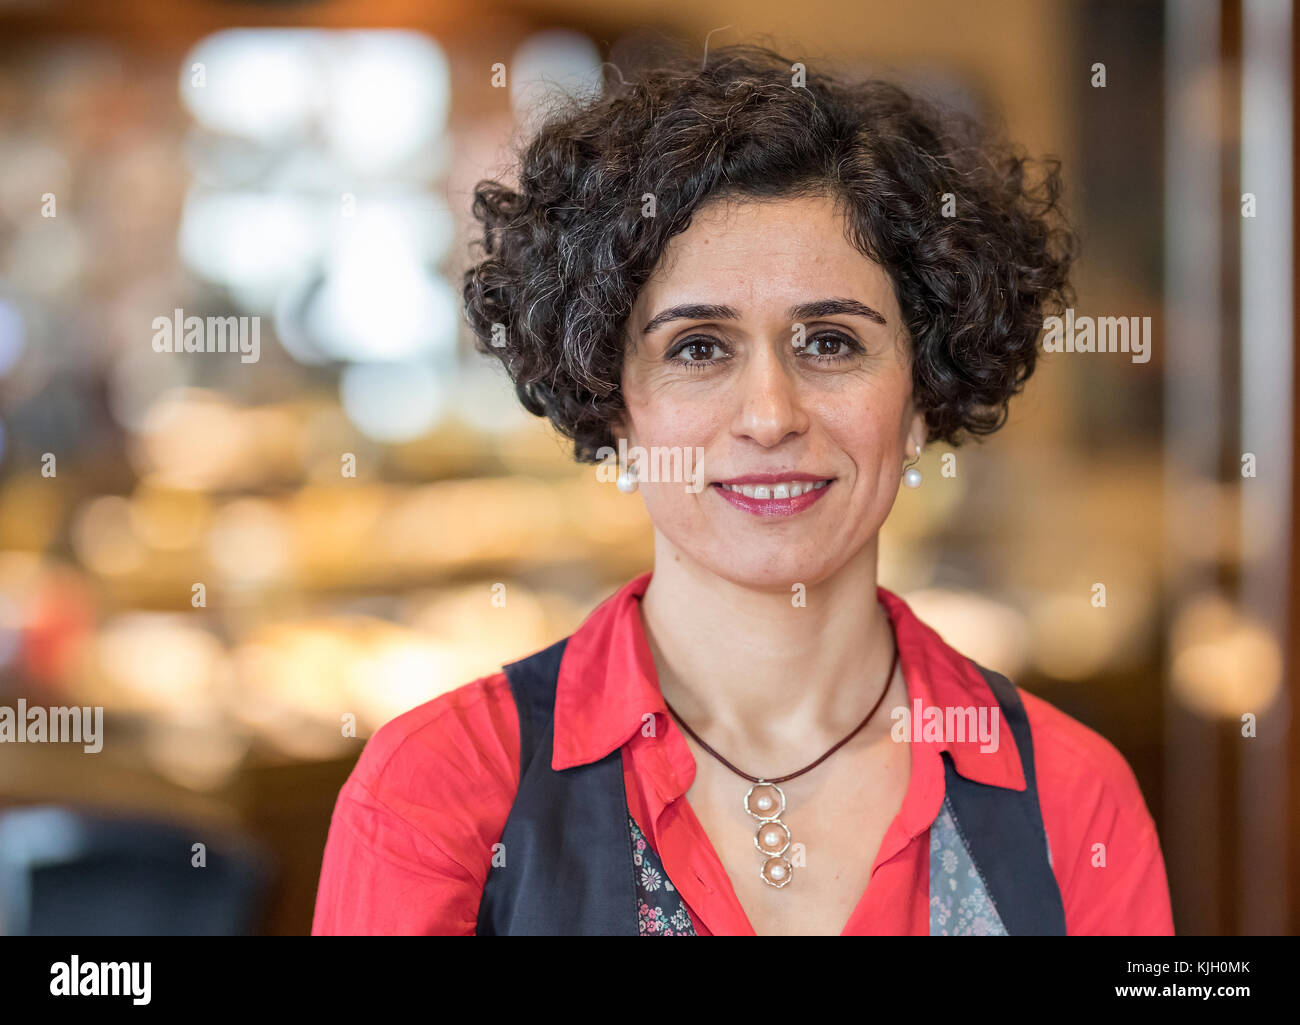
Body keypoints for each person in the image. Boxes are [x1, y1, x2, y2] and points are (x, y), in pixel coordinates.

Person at [312, 43, 1174, 936]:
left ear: (923, 396)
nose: (770, 415)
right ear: (614, 408)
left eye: (831, 342)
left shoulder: (1072, 798)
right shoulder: (438, 791)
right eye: (698, 348)